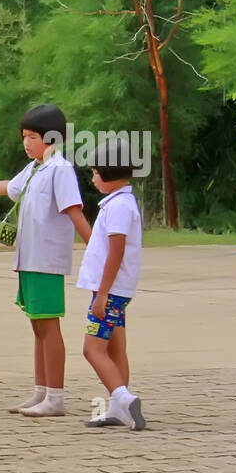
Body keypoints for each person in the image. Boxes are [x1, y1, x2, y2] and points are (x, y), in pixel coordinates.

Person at [0, 103, 91, 417]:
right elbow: (11, 188)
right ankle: (41, 391)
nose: (26, 142)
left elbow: (73, 210)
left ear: (51, 137)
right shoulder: (36, 167)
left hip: (46, 260)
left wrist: (95, 246)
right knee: (38, 327)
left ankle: (56, 397)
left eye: (32, 136)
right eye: (24, 136)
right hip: (29, 259)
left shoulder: (59, 169)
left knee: (49, 326)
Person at [78, 135, 146, 430]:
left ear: (108, 174)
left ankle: (124, 397)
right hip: (116, 291)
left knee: (92, 349)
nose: (92, 177)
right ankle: (119, 408)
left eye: (95, 172)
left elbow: (116, 251)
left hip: (110, 292)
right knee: (116, 348)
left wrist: (102, 294)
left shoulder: (119, 206)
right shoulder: (121, 202)